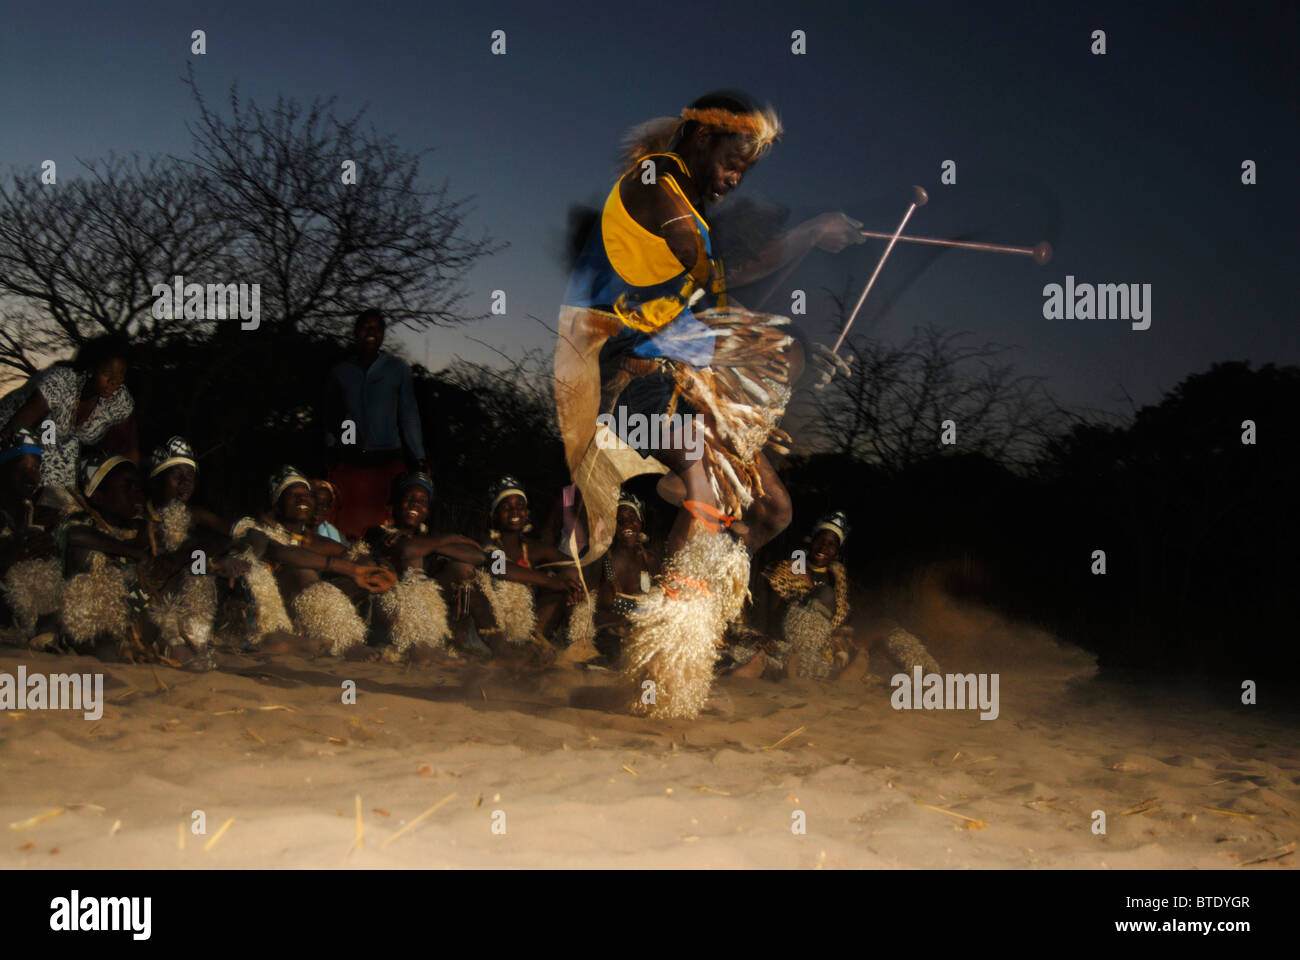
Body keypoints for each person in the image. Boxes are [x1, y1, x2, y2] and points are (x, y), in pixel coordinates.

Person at [555, 90, 858, 717]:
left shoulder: (689, 213)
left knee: (773, 510)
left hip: (678, 365)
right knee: (704, 475)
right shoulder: (652, 181)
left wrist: (807, 246)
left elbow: (722, 289)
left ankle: (699, 568)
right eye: (731, 161)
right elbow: (707, 273)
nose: (733, 176)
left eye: (745, 170)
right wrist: (796, 247)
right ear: (698, 139)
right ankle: (661, 664)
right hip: (624, 373)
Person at [231, 465, 395, 657]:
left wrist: (374, 568)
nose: (302, 499)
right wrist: (353, 570)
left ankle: (403, 642)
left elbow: (353, 555)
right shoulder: (257, 530)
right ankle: (338, 643)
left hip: (297, 620)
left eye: (306, 494)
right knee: (301, 571)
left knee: (371, 580)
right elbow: (282, 553)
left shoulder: (313, 539)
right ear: (277, 504)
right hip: (256, 620)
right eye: (293, 494)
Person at [0, 335, 140, 519]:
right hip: (11, 429)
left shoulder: (119, 400)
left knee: (68, 468)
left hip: (55, 443)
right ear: (91, 369)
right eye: (107, 374)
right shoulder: (60, 381)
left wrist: (132, 490)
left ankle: (58, 515)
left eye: (120, 375)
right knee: (53, 489)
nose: (114, 382)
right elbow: (14, 428)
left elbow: (127, 449)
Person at [323, 310, 429, 538]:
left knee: (387, 521)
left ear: (382, 335)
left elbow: (408, 413)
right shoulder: (340, 371)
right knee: (343, 519)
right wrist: (331, 448)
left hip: (386, 457)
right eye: (365, 327)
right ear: (356, 332)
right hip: (348, 456)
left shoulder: (396, 368)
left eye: (377, 328)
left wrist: (418, 457)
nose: (371, 332)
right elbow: (331, 414)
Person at [364, 471, 485, 662]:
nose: (415, 504)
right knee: (412, 566)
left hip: (430, 615)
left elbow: (478, 556)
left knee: (463, 569)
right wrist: (451, 540)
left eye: (422, 501)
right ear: (395, 503)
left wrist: (443, 541)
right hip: (394, 612)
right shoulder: (378, 532)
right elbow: (408, 551)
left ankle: (462, 642)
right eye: (409, 498)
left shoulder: (431, 537)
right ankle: (422, 649)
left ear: (427, 511)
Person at [460, 475, 582, 663]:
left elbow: (574, 568)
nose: (514, 511)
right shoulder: (488, 542)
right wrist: (552, 581)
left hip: (525, 630)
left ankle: (540, 645)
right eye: (506, 507)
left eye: (519, 506)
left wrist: (573, 584)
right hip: (491, 633)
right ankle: (506, 653)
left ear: (527, 512)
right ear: (494, 514)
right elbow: (500, 568)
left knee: (566, 587)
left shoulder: (533, 548)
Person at [0, 429, 61, 644]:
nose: (31, 477)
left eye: (36, 469)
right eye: (21, 469)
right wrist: (10, 555)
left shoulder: (33, 511)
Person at [589, 491, 660, 666]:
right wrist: (623, 622)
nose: (626, 522)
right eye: (618, 519)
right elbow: (587, 611)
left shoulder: (649, 561)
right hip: (608, 640)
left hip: (643, 637)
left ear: (641, 523)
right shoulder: (601, 560)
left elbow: (662, 602)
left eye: (632, 516)